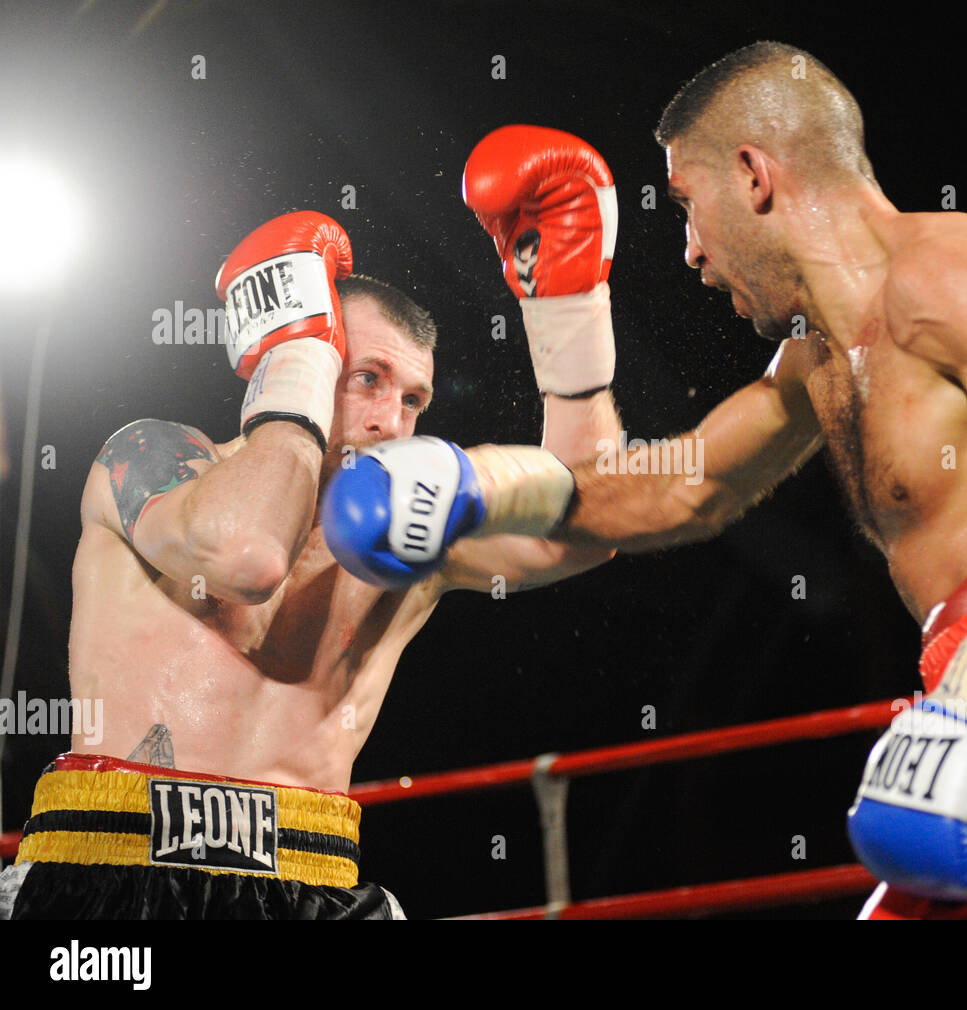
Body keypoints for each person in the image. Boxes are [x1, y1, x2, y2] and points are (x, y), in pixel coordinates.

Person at [359, 45, 967, 918]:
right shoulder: (816, 363)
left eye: (688, 205)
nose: (689, 251)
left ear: (755, 175)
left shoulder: (945, 271)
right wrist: (470, 484)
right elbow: (674, 490)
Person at [0, 159, 622, 920]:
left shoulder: (407, 535)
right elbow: (247, 554)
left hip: (311, 878)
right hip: (113, 867)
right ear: (307, 355)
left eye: (413, 398)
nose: (392, 422)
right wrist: (292, 368)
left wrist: (568, 307)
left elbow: (592, 527)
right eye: (367, 378)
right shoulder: (156, 458)